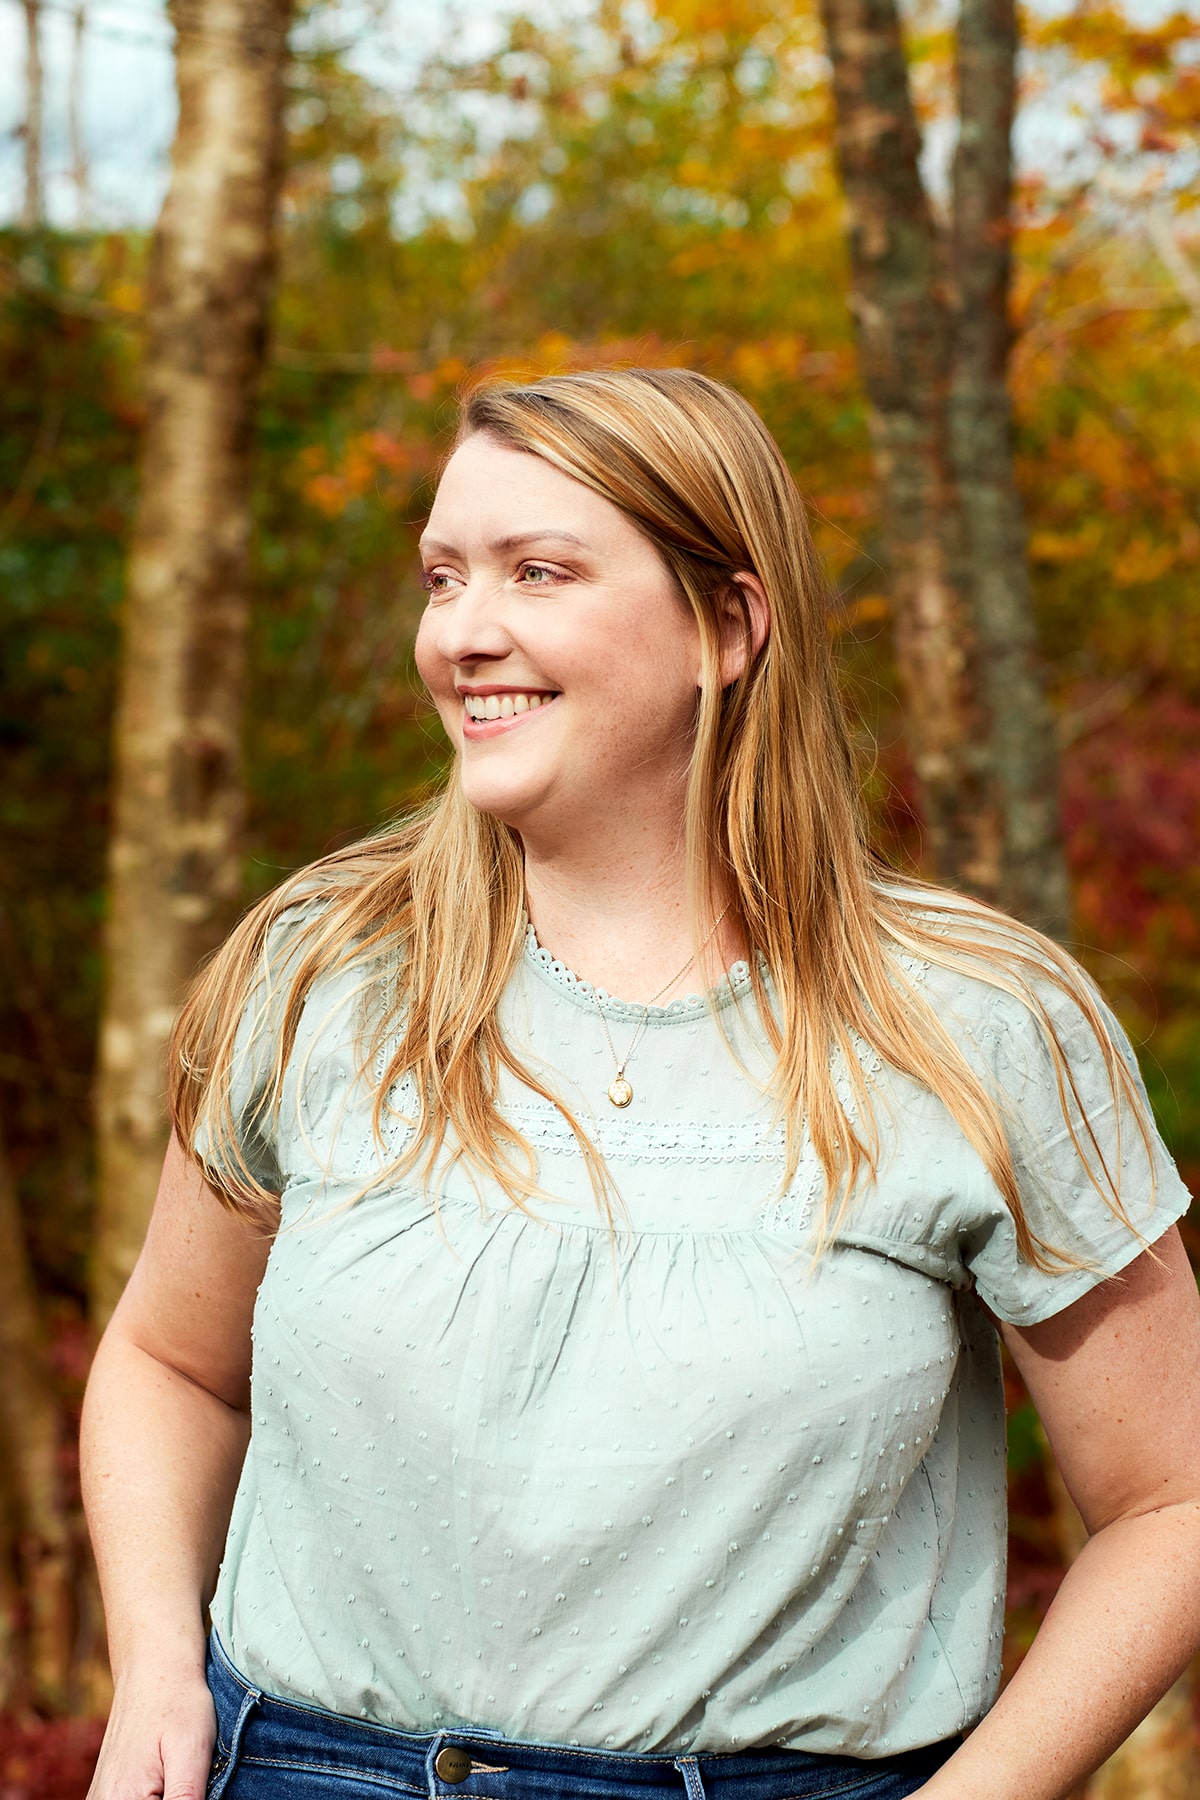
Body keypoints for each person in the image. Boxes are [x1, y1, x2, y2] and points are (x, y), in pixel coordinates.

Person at [83, 367, 1200, 1800]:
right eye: (443, 578)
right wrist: (158, 1676)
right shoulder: (320, 973)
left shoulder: (980, 1025)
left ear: (728, 626)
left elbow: (1170, 1501)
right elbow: (171, 1364)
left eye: (538, 573)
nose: (465, 634)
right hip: (295, 1767)